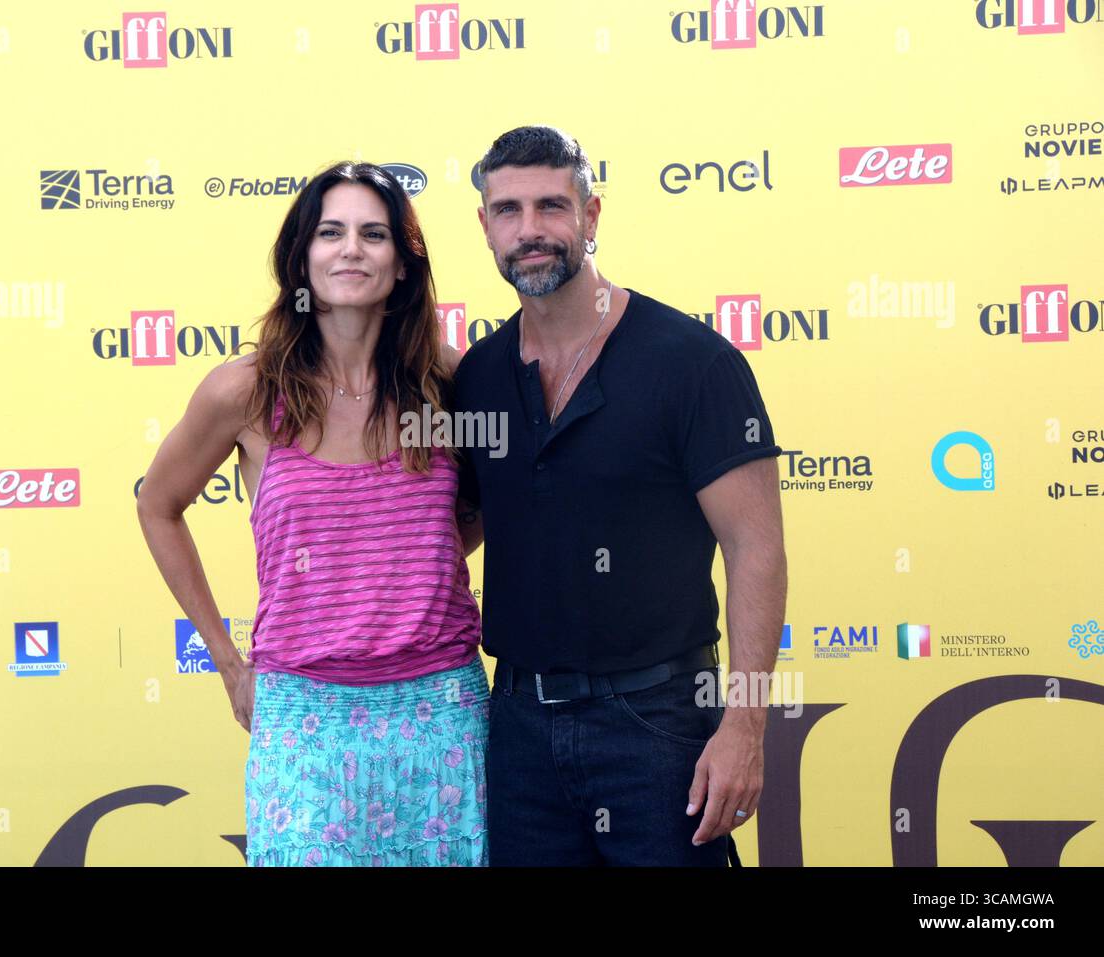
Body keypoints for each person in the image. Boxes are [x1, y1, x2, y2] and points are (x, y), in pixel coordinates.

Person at [136, 161, 488, 866]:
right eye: (330, 232)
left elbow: (483, 508)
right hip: (302, 718)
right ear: (301, 256)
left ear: (402, 262)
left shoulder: (449, 382)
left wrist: (413, 561)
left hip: (442, 713)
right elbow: (158, 505)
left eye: (372, 233)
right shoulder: (244, 391)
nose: (350, 249)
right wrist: (228, 660)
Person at [453, 126, 787, 866]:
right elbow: (462, 522)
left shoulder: (693, 362)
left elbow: (755, 547)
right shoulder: (476, 374)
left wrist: (745, 726)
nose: (530, 230)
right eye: (508, 210)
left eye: (551, 205)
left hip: (660, 721)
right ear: (485, 227)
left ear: (592, 214)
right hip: (516, 726)